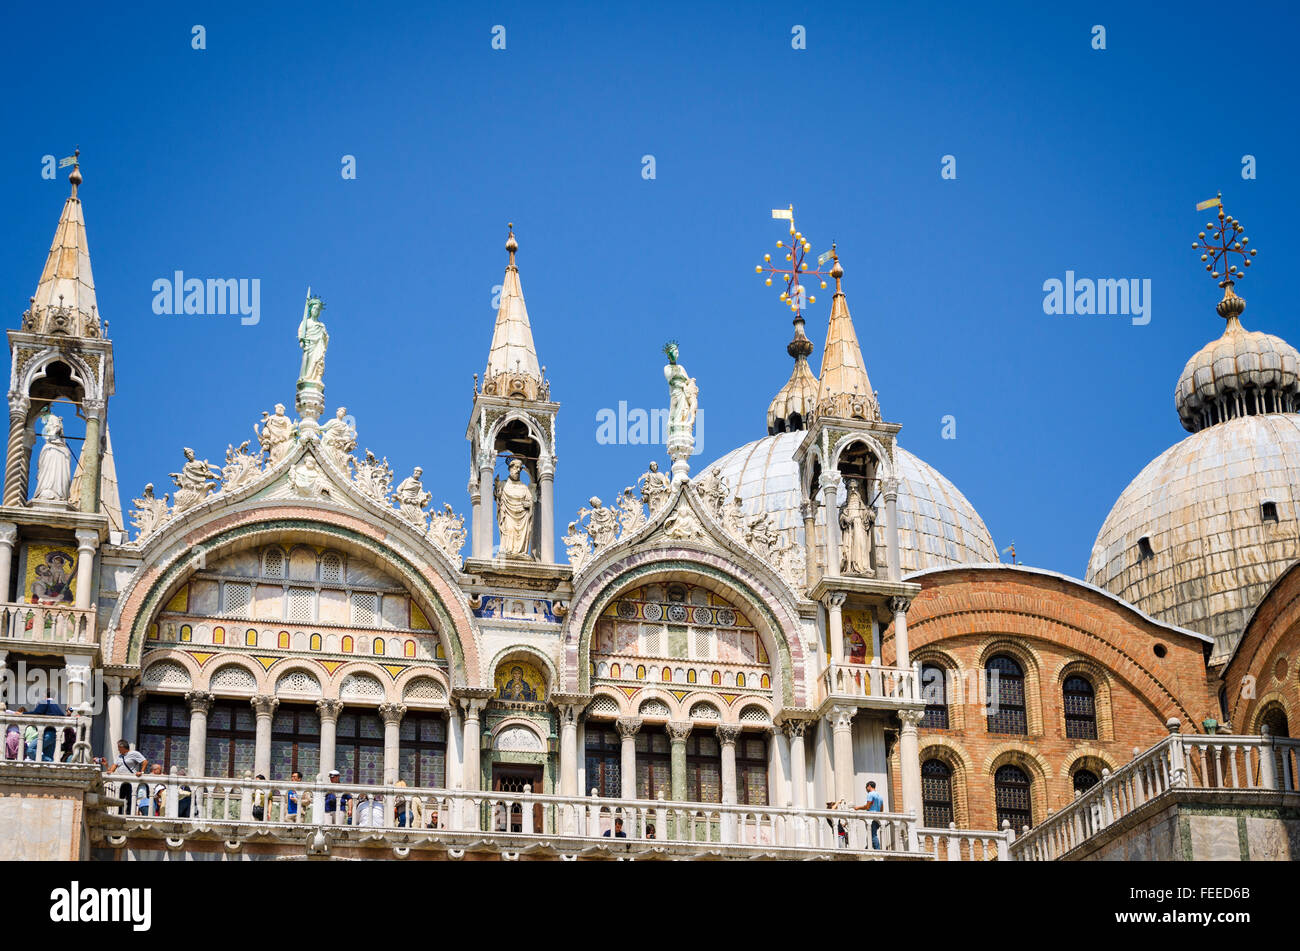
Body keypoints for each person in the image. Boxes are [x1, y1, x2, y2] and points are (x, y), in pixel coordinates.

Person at [111, 740, 148, 815]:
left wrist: (141, 772)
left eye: (119, 747)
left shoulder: (134, 753)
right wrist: (110, 771)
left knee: (130, 798)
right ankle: (119, 813)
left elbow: (144, 762)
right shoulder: (119, 756)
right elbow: (114, 766)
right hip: (121, 781)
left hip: (131, 780)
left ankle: (129, 813)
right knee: (119, 798)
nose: (118, 749)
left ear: (122, 747)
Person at [853, 780, 885, 849]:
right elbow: (882, 809)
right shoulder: (880, 796)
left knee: (873, 835)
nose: (866, 789)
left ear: (869, 786)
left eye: (866, 787)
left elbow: (867, 807)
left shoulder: (870, 794)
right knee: (870, 835)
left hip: (872, 819)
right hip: (877, 819)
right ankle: (867, 849)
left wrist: (857, 808)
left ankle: (878, 850)